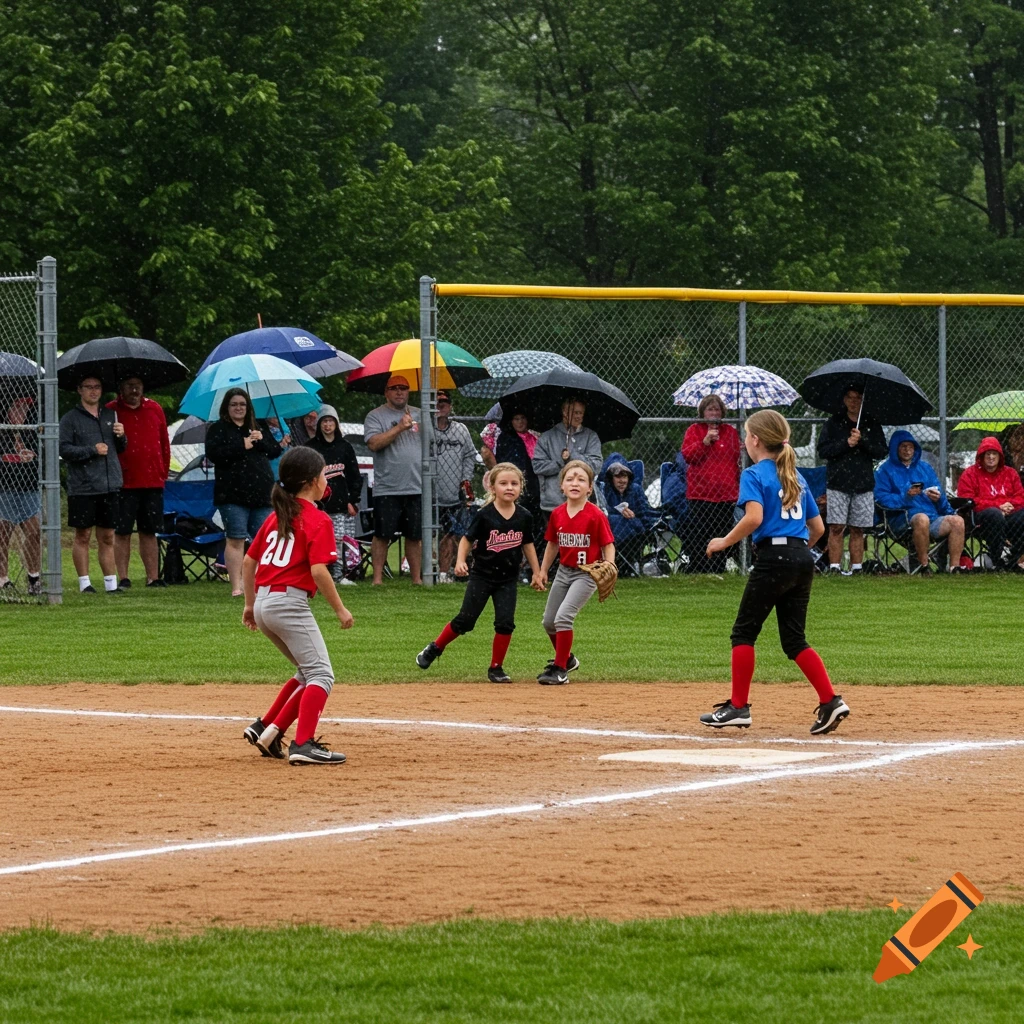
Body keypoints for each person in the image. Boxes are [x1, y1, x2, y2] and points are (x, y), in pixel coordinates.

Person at [699, 409, 850, 735]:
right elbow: (818, 528)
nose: (744, 441)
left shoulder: (754, 474)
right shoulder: (795, 475)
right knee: (794, 640)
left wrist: (724, 541)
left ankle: (738, 706)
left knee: (744, 633)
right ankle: (830, 700)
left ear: (755, 440)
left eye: (746, 435)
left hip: (774, 559)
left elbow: (753, 518)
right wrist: (795, 548)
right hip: (801, 557)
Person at [241, 446, 353, 765]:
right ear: (310, 482)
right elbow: (319, 571)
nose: (325, 480)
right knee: (321, 675)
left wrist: (250, 605)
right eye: (321, 475)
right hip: (289, 604)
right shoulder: (317, 519)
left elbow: (249, 563)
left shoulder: (278, 516)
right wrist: (340, 609)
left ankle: (270, 729)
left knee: (307, 671)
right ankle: (303, 744)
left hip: (265, 602)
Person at [416, 463, 545, 682]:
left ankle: (496, 668)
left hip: (507, 579)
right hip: (482, 577)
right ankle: (435, 647)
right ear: (492, 487)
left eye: (514, 483)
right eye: (503, 483)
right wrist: (459, 561)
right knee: (466, 621)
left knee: (505, 622)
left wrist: (537, 572)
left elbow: (528, 544)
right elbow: (467, 539)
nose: (509, 487)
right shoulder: (485, 514)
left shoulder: (524, 516)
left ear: (521, 487)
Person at [537, 459, 615, 685]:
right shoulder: (558, 514)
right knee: (549, 621)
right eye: (570, 479)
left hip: (586, 573)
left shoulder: (595, 515)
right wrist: (543, 571)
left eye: (581, 479)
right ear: (561, 485)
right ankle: (568, 659)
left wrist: (609, 566)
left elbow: (608, 544)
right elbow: (552, 544)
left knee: (564, 618)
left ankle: (560, 670)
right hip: (563, 572)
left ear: (590, 488)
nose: (575, 483)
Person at [205, 388, 282, 596]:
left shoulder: (258, 426)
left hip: (261, 493)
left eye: (242, 404)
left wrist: (261, 440)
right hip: (232, 494)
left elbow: (274, 451)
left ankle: (259, 582)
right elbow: (214, 455)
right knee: (236, 538)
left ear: (248, 407)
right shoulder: (218, 429)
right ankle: (237, 586)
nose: (238, 408)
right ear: (226, 407)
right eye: (234, 404)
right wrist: (242, 444)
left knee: (263, 540)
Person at [59, 376, 126, 593]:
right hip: (83, 487)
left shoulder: (110, 415)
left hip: (109, 484)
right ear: (79, 390)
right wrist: (91, 450)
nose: (93, 391)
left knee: (107, 536)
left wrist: (121, 436)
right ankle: (84, 583)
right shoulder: (70, 419)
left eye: (97, 387)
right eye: (88, 387)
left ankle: (110, 584)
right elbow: (64, 449)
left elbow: (120, 449)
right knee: (83, 535)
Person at [105, 377, 171, 589]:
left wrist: (162, 472)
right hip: (123, 482)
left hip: (152, 480)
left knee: (149, 531)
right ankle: (123, 577)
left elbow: (164, 443)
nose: (134, 390)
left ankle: (153, 576)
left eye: (138, 385)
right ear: (120, 388)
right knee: (122, 531)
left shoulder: (154, 408)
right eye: (129, 385)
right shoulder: (111, 410)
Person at [816, 387, 887, 575]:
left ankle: (857, 567)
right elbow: (824, 451)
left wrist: (862, 441)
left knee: (858, 528)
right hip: (838, 482)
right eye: (850, 397)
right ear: (844, 399)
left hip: (863, 483)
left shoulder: (871, 424)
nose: (853, 401)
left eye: (858, 398)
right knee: (836, 526)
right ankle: (834, 567)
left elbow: (881, 451)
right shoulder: (833, 423)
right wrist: (846, 443)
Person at [875, 430, 965, 574]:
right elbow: (881, 499)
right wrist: (906, 496)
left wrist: (938, 498)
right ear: (895, 448)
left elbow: (940, 497)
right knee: (922, 519)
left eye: (910, 446)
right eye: (903, 446)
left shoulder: (925, 468)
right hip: (901, 519)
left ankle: (955, 568)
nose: (907, 450)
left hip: (932, 516)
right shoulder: (884, 470)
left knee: (958, 521)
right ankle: (924, 566)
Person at [364, 374, 423, 585]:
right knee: (382, 534)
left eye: (404, 388)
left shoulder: (420, 413)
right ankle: (377, 579)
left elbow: (432, 442)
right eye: (394, 388)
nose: (400, 392)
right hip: (388, 486)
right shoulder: (375, 416)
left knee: (415, 536)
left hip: (416, 485)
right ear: (386, 392)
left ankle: (417, 580)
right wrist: (399, 427)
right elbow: (373, 444)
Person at [532, 398, 603, 570]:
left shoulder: (591, 437)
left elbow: (595, 465)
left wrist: (573, 458)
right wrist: (559, 463)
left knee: (579, 538)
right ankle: (548, 571)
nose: (580, 417)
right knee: (554, 539)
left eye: (581, 413)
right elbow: (537, 465)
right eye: (576, 413)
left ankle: (579, 569)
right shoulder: (548, 437)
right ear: (565, 412)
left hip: (581, 502)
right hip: (552, 500)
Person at [681, 394, 741, 573]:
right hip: (701, 493)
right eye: (710, 409)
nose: (714, 413)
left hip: (725, 493)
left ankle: (718, 567)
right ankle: (699, 568)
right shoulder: (694, 430)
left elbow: (736, 457)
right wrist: (704, 442)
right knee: (700, 533)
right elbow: (689, 456)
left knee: (722, 531)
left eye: (717, 409)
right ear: (703, 412)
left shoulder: (729, 431)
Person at [307, 404, 361, 584]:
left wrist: (353, 500)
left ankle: (338, 575)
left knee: (338, 540)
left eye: (331, 421)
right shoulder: (311, 447)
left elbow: (354, 476)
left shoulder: (344, 447)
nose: (327, 425)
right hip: (316, 505)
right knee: (316, 540)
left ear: (336, 424)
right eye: (324, 421)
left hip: (339, 504)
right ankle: (316, 574)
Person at [957, 436, 1024, 570]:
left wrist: (1009, 506)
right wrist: (997, 507)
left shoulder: (1010, 473)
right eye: (988, 454)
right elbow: (967, 499)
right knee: (994, 514)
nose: (991, 457)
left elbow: (1020, 496)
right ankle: (995, 558)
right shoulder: (970, 474)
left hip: (1009, 515)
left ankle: (1013, 558)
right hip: (981, 518)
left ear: (1000, 456)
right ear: (981, 456)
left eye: (994, 454)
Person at [432, 390, 477, 581]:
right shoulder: (426, 429)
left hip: (454, 492)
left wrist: (465, 480)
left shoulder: (461, 430)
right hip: (430, 492)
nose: (441, 406)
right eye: (437, 402)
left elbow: (469, 455)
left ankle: (446, 572)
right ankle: (423, 571)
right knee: (423, 534)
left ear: (450, 406)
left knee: (451, 533)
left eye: (445, 402)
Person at [0, 396, 41, 595]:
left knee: (34, 532)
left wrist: (31, 457)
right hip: (5, 489)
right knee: (2, 535)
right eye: (17, 407)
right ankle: (2, 579)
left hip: (28, 489)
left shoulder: (33, 431)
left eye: (25, 408)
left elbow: (44, 459)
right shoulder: (3, 430)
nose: (21, 412)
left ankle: (34, 577)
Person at [600, 457, 658, 576]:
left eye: (625, 476)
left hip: (635, 533)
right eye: (618, 477)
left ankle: (628, 564)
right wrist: (617, 512)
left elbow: (644, 511)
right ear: (611, 478)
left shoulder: (635, 489)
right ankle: (621, 563)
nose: (622, 481)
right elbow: (601, 511)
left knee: (634, 524)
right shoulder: (604, 490)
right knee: (616, 520)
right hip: (611, 533)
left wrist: (636, 518)